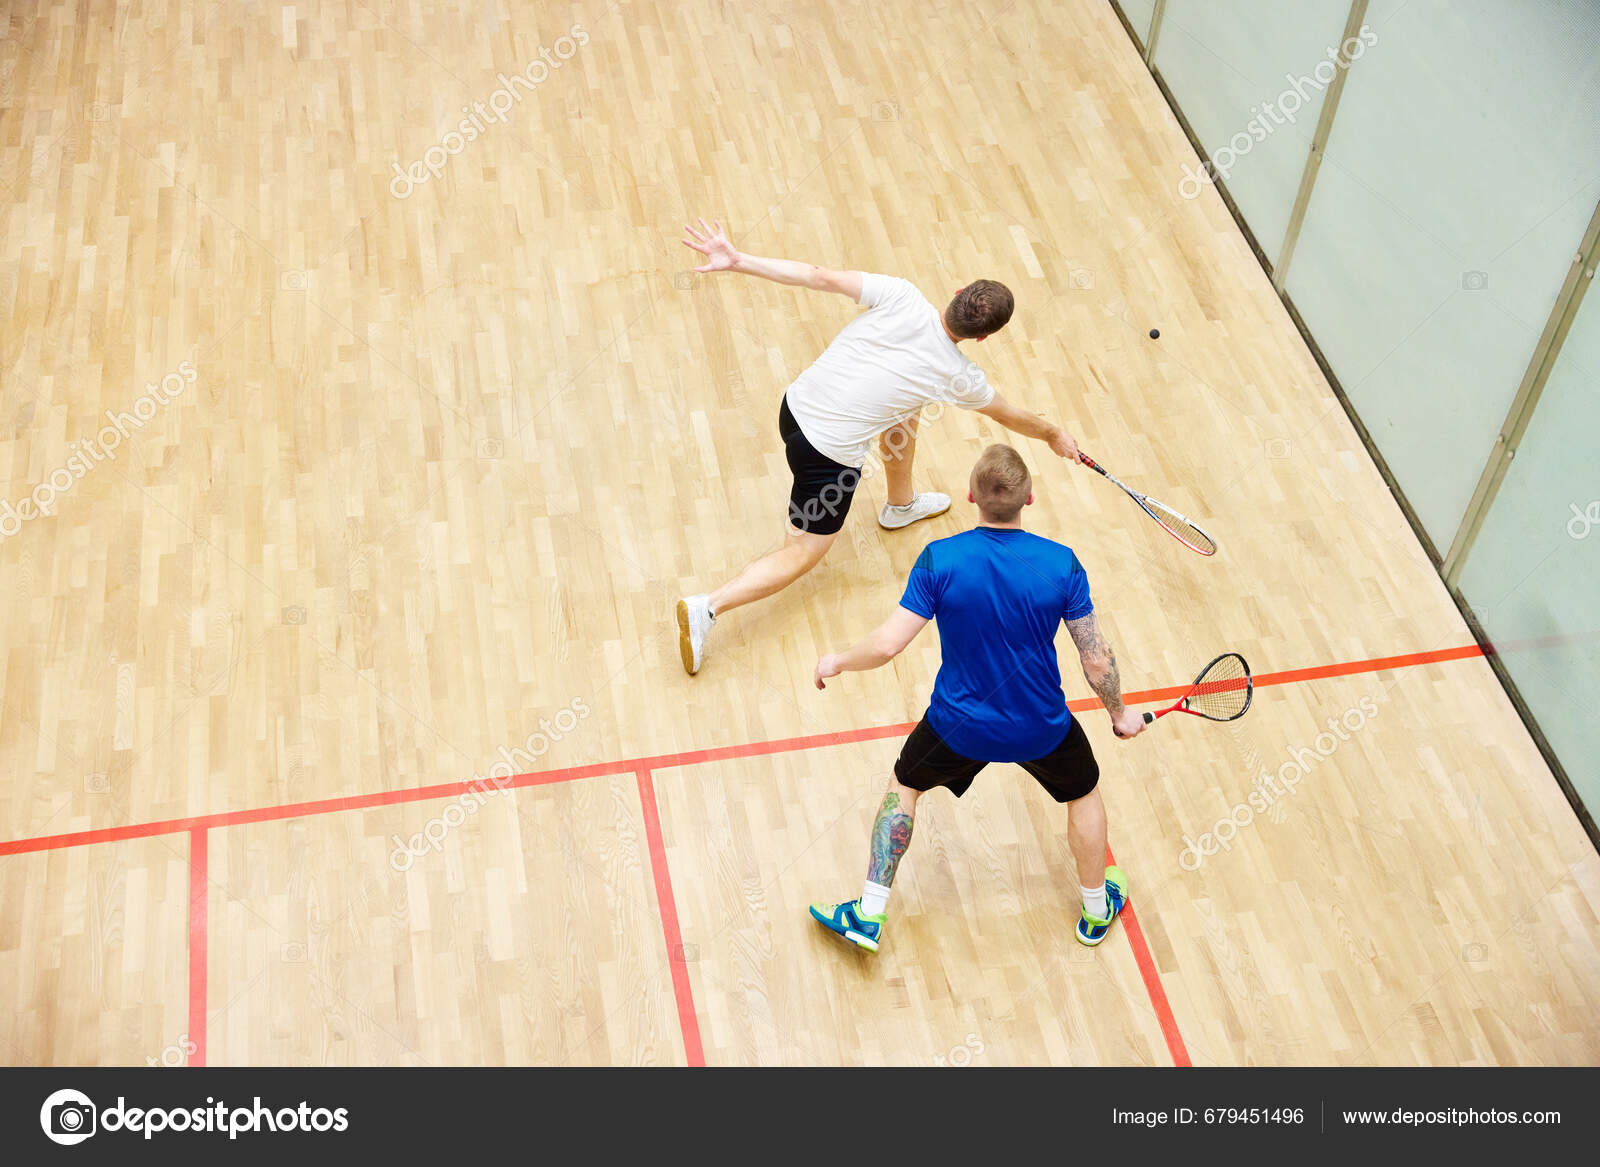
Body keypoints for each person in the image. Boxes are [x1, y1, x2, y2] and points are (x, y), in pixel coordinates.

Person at [673, 218, 1081, 675]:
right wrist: (1051, 434)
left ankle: (900, 504)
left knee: (907, 410)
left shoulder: (900, 293)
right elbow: (1008, 414)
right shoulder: (958, 375)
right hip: (824, 457)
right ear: (983, 337)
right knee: (802, 553)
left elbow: (818, 274)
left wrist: (738, 259)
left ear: (956, 291)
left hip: (793, 406)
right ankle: (707, 607)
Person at [807, 444, 1144, 952]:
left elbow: (886, 644)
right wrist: (1120, 714)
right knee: (1083, 793)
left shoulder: (940, 559)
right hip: (1042, 726)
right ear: (1030, 498)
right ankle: (1096, 911)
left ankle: (868, 914)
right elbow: (1096, 659)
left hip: (956, 726)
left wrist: (837, 661)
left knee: (905, 788)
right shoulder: (1062, 564)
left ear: (970, 497)